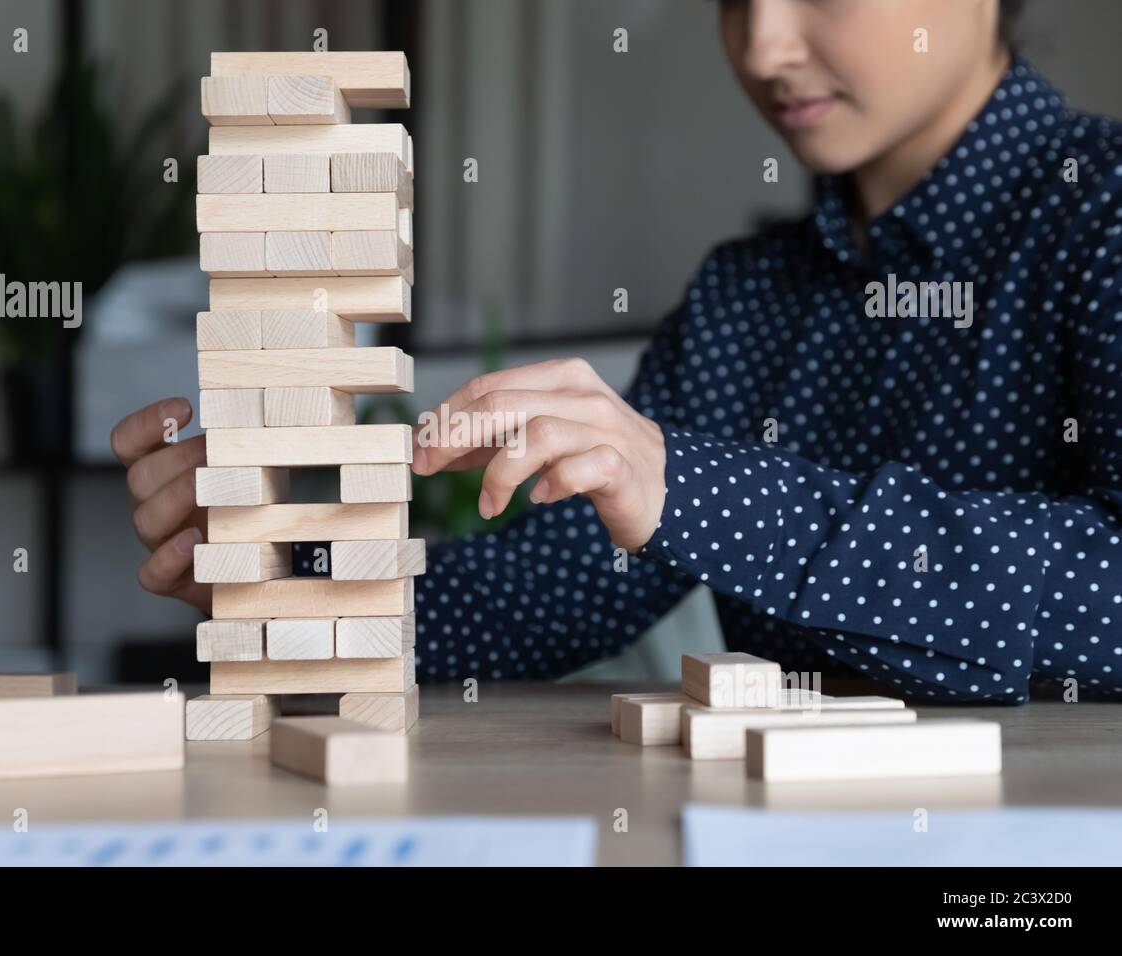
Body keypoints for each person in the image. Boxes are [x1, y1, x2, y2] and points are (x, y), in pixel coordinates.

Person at [112, 0, 1122, 702]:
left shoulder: (1104, 213)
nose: (764, 46)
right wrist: (292, 571)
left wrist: (690, 487)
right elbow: (549, 594)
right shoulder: (747, 296)